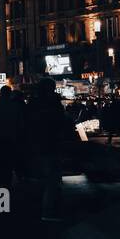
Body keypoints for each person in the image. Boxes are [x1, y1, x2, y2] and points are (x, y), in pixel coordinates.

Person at [26, 78, 74, 222]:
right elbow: (61, 123)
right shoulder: (54, 104)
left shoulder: (33, 103)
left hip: (35, 145)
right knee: (52, 180)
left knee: (39, 178)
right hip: (51, 144)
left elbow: (27, 123)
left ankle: (35, 209)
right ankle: (48, 211)